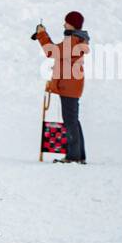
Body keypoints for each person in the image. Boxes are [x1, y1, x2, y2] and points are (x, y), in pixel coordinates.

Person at [31, 11, 88, 164]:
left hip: (69, 86)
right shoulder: (75, 39)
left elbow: (52, 51)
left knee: (70, 121)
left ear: (72, 24)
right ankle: (79, 155)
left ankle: (73, 156)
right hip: (70, 85)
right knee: (73, 120)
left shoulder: (74, 40)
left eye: (66, 22)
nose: (64, 24)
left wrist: (42, 35)